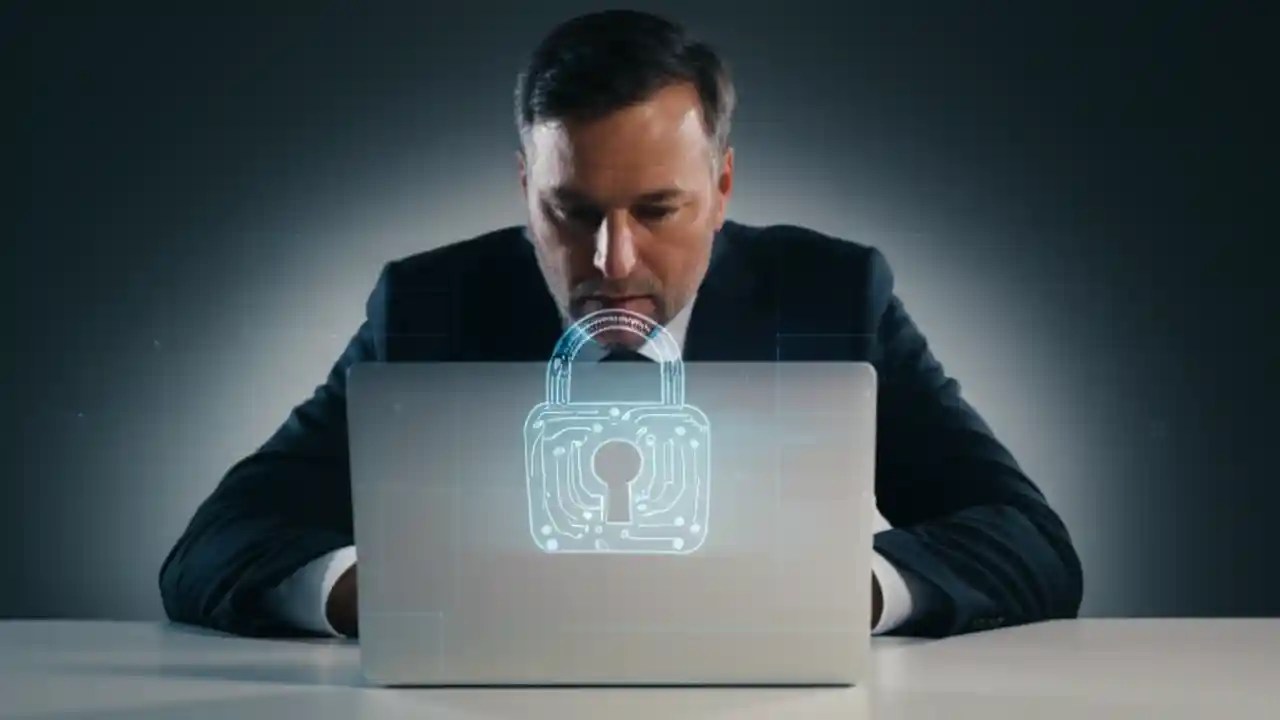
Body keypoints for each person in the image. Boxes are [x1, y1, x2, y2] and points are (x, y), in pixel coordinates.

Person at [159, 9, 1082, 640]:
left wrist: (844, 591)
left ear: (722, 187)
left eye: (657, 209)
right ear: (525, 188)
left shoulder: (833, 294)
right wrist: (370, 592)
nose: (612, 263)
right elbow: (216, 543)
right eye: (570, 211)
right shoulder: (429, 304)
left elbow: (1029, 541)